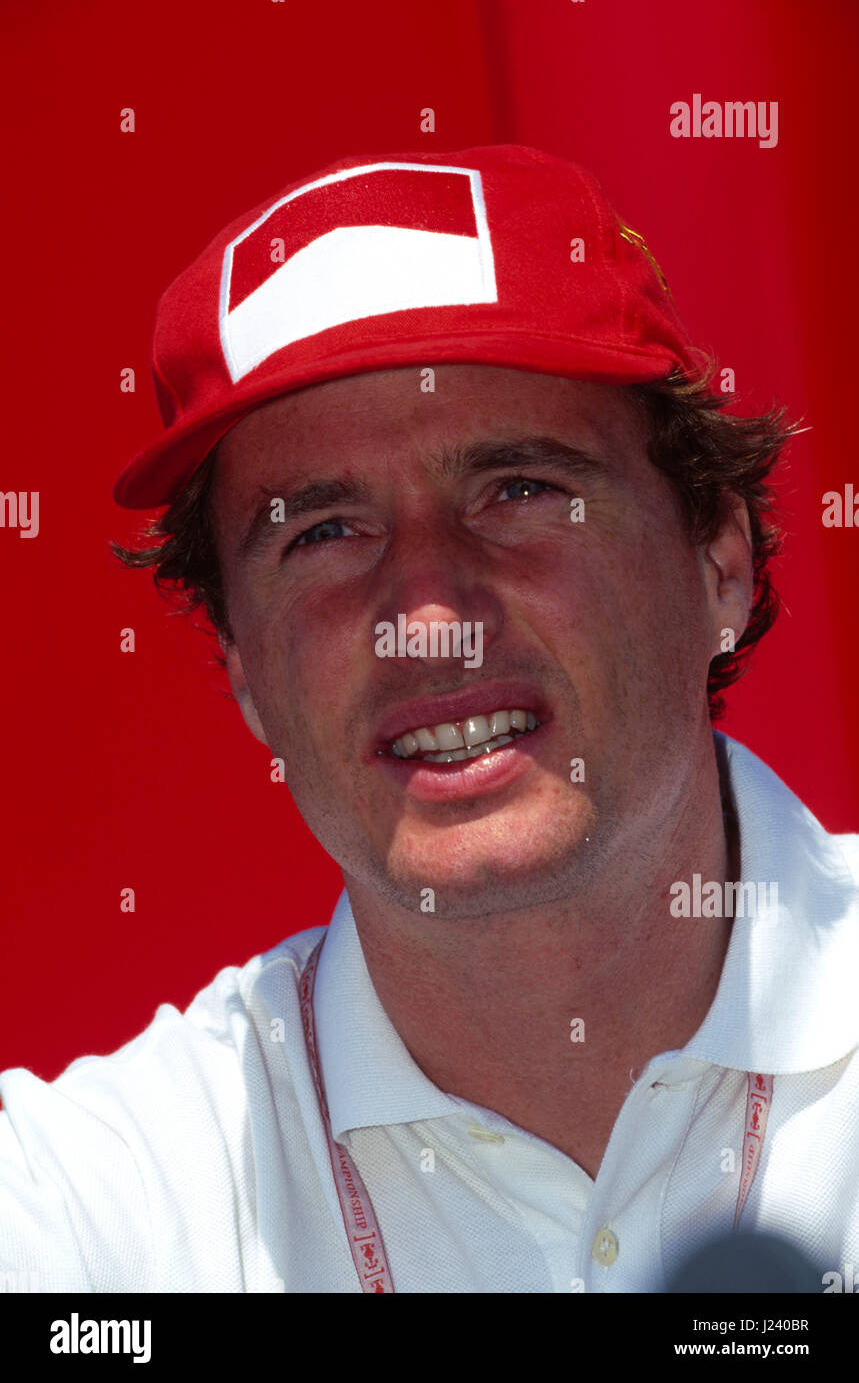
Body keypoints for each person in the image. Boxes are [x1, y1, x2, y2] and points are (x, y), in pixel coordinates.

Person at [1, 144, 857, 1294]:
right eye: (322, 532)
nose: (427, 612)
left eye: (518, 491)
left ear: (718, 560)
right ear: (244, 668)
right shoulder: (98, 1201)